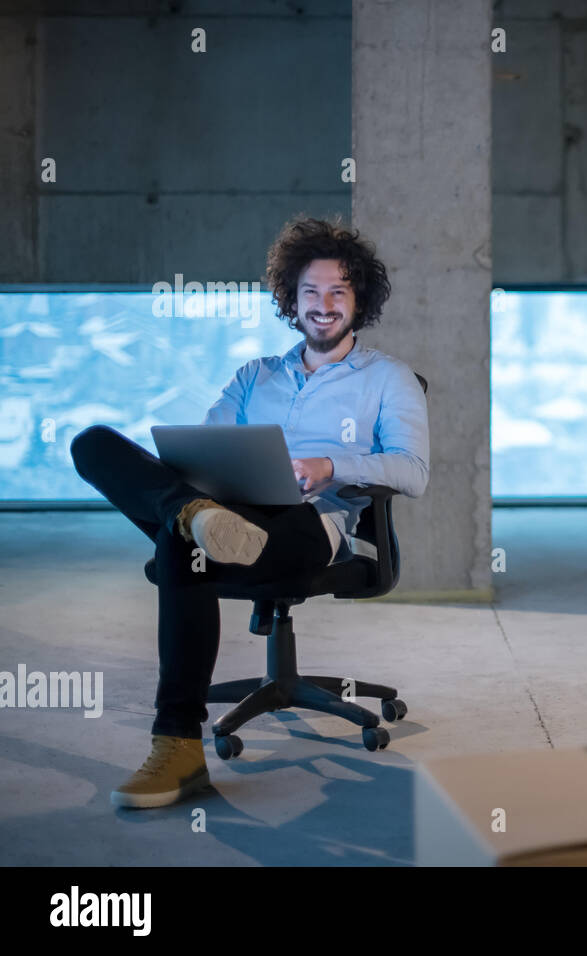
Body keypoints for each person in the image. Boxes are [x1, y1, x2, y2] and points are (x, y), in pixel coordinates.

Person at [71, 217, 430, 809]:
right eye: (310, 292)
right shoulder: (254, 374)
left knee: (178, 546)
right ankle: (196, 518)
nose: (323, 305)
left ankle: (178, 746)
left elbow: (412, 470)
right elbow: (205, 447)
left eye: (339, 291)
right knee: (93, 444)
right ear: (291, 298)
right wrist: (193, 487)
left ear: (358, 299)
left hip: (308, 526)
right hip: (229, 511)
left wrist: (329, 466)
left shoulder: (388, 379)